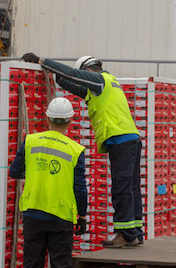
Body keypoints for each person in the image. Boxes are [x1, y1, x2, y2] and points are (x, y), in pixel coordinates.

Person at [20, 53, 144, 248]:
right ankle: (135, 232)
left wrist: (41, 61)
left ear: (87, 71)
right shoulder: (106, 86)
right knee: (131, 188)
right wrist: (54, 75)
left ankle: (125, 234)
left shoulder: (101, 80)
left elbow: (71, 74)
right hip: (130, 140)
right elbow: (68, 82)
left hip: (121, 140)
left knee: (122, 189)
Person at [8, 98, 88, 268]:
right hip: (60, 217)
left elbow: (14, 171)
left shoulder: (31, 141)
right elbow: (80, 188)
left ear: (48, 117)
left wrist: (35, 172)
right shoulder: (75, 150)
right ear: (70, 121)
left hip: (33, 214)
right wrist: (82, 216)